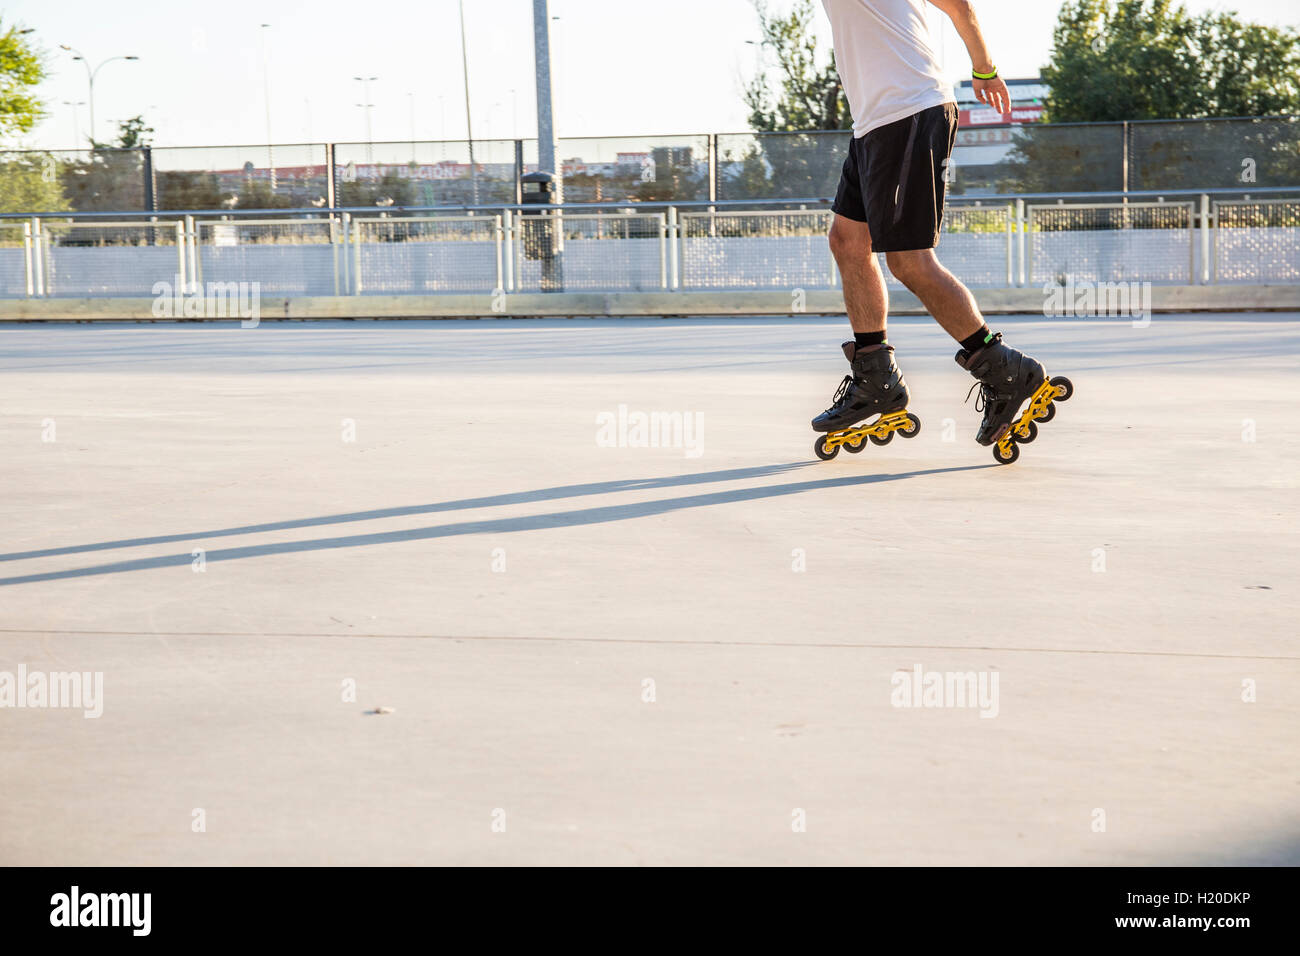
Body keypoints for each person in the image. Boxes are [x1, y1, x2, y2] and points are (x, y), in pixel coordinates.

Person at [812, 0, 1049, 449]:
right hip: (874, 122)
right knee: (847, 241)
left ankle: (1002, 367)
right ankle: (875, 377)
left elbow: (959, 6)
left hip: (910, 110)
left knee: (909, 260)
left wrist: (983, 69)